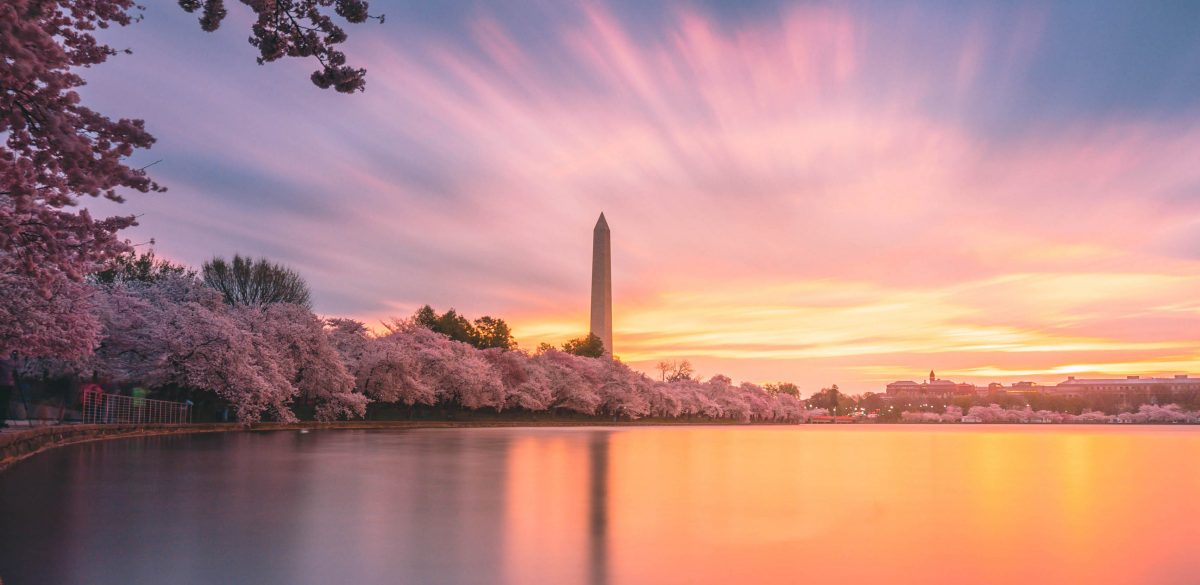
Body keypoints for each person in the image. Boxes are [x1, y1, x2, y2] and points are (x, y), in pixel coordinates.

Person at [0, 356, 14, 429]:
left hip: (8, 385)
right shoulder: (3, 361)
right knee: (2, 403)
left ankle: (2, 421)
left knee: (5, 403)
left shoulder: (9, 361)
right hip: (2, 384)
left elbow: (14, 368)